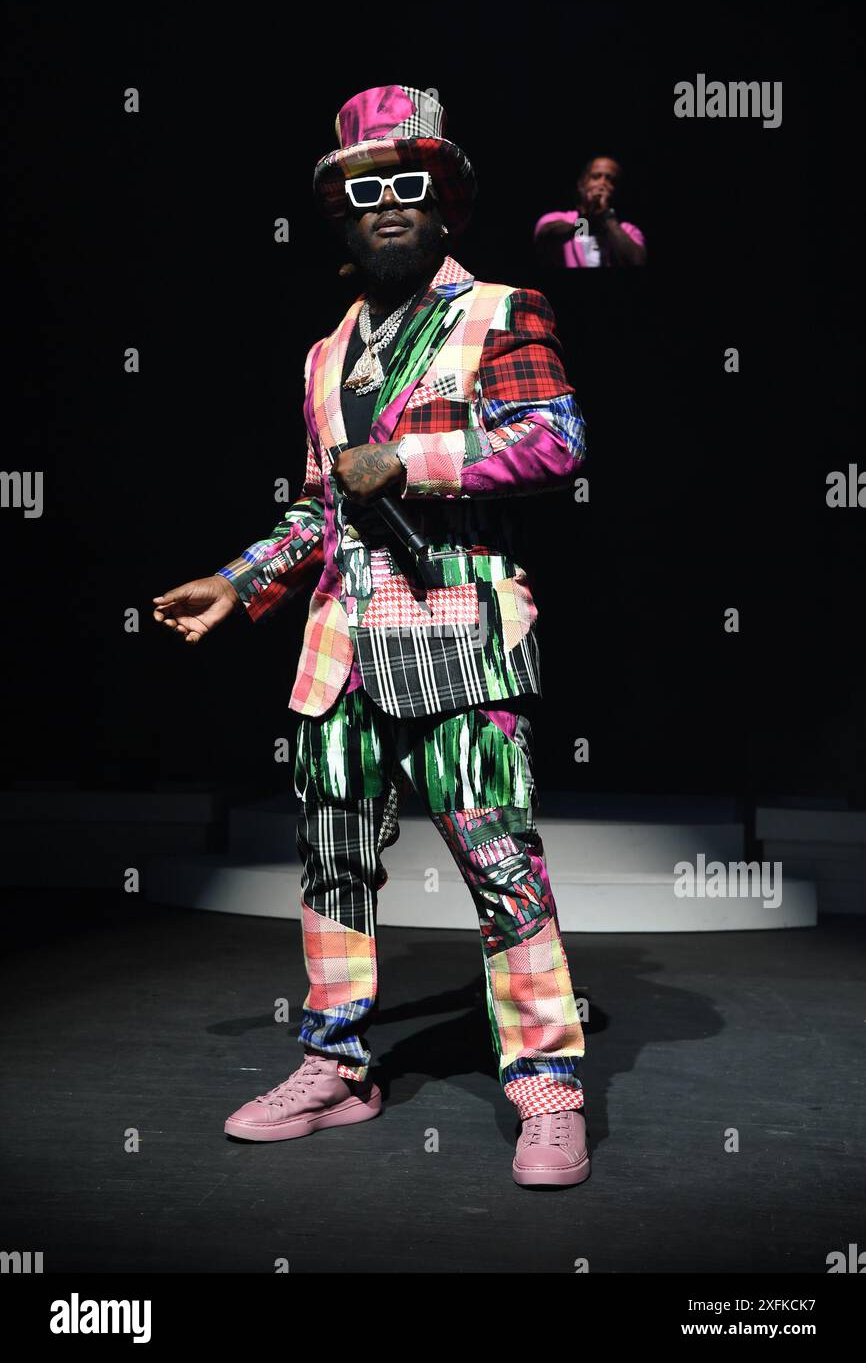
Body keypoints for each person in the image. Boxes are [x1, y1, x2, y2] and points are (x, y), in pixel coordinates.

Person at [153, 85, 591, 1188]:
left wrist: (412, 461)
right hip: (339, 650)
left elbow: (553, 443)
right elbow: (319, 508)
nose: (386, 205)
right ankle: (336, 1064)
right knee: (331, 865)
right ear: (341, 214)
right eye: (363, 191)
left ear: (441, 204)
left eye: (408, 185)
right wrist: (236, 580)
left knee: (499, 863)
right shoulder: (322, 356)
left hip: (458, 636)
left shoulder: (501, 311)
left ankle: (545, 1080)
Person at [534, 154, 646, 267]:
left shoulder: (628, 230)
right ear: (581, 184)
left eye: (611, 180)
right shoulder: (560, 218)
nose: (603, 183)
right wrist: (585, 222)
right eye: (596, 177)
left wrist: (607, 218)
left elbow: (637, 261)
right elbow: (544, 237)